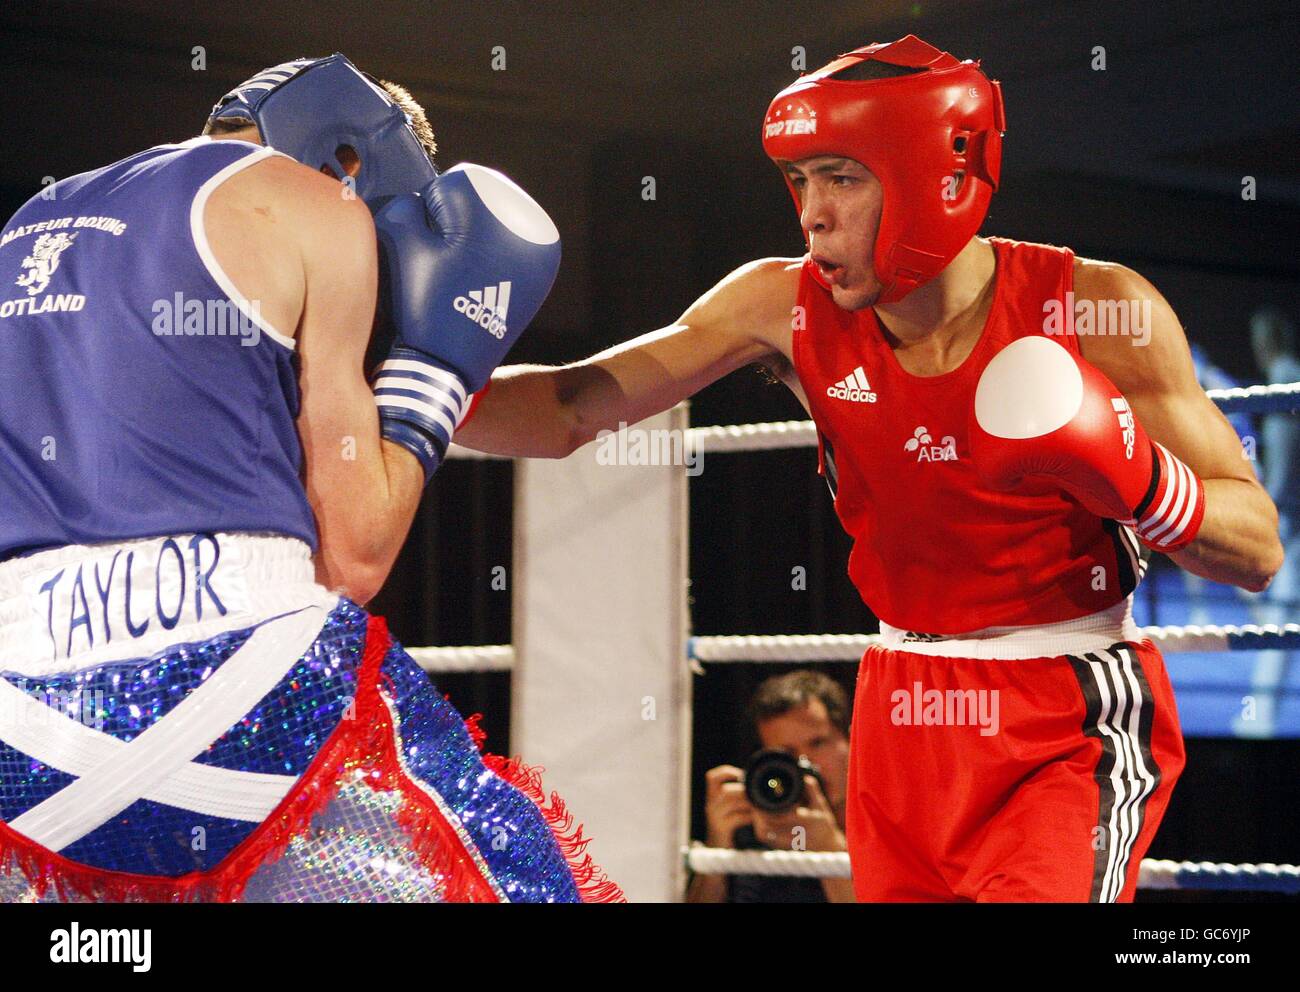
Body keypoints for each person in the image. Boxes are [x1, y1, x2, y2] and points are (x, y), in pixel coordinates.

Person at [455, 36, 1283, 901]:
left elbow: (1257, 550)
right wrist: (396, 386)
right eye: (800, 180)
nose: (811, 214)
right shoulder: (778, 304)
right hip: (900, 706)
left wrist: (1139, 476)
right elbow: (566, 409)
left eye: (841, 178)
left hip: (1060, 711)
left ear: (940, 176)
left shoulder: (1098, 308)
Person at [0, 55, 621, 903]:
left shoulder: (35, 218)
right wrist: (436, 366)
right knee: (527, 881)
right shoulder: (315, 203)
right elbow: (355, 557)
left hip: (22, 735)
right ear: (355, 162)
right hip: (234, 683)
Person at [688, 670, 855, 903]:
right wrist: (717, 849)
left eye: (818, 743)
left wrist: (830, 851)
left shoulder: (888, 825)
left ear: (852, 740)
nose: (805, 763)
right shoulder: (748, 832)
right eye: (787, 754)